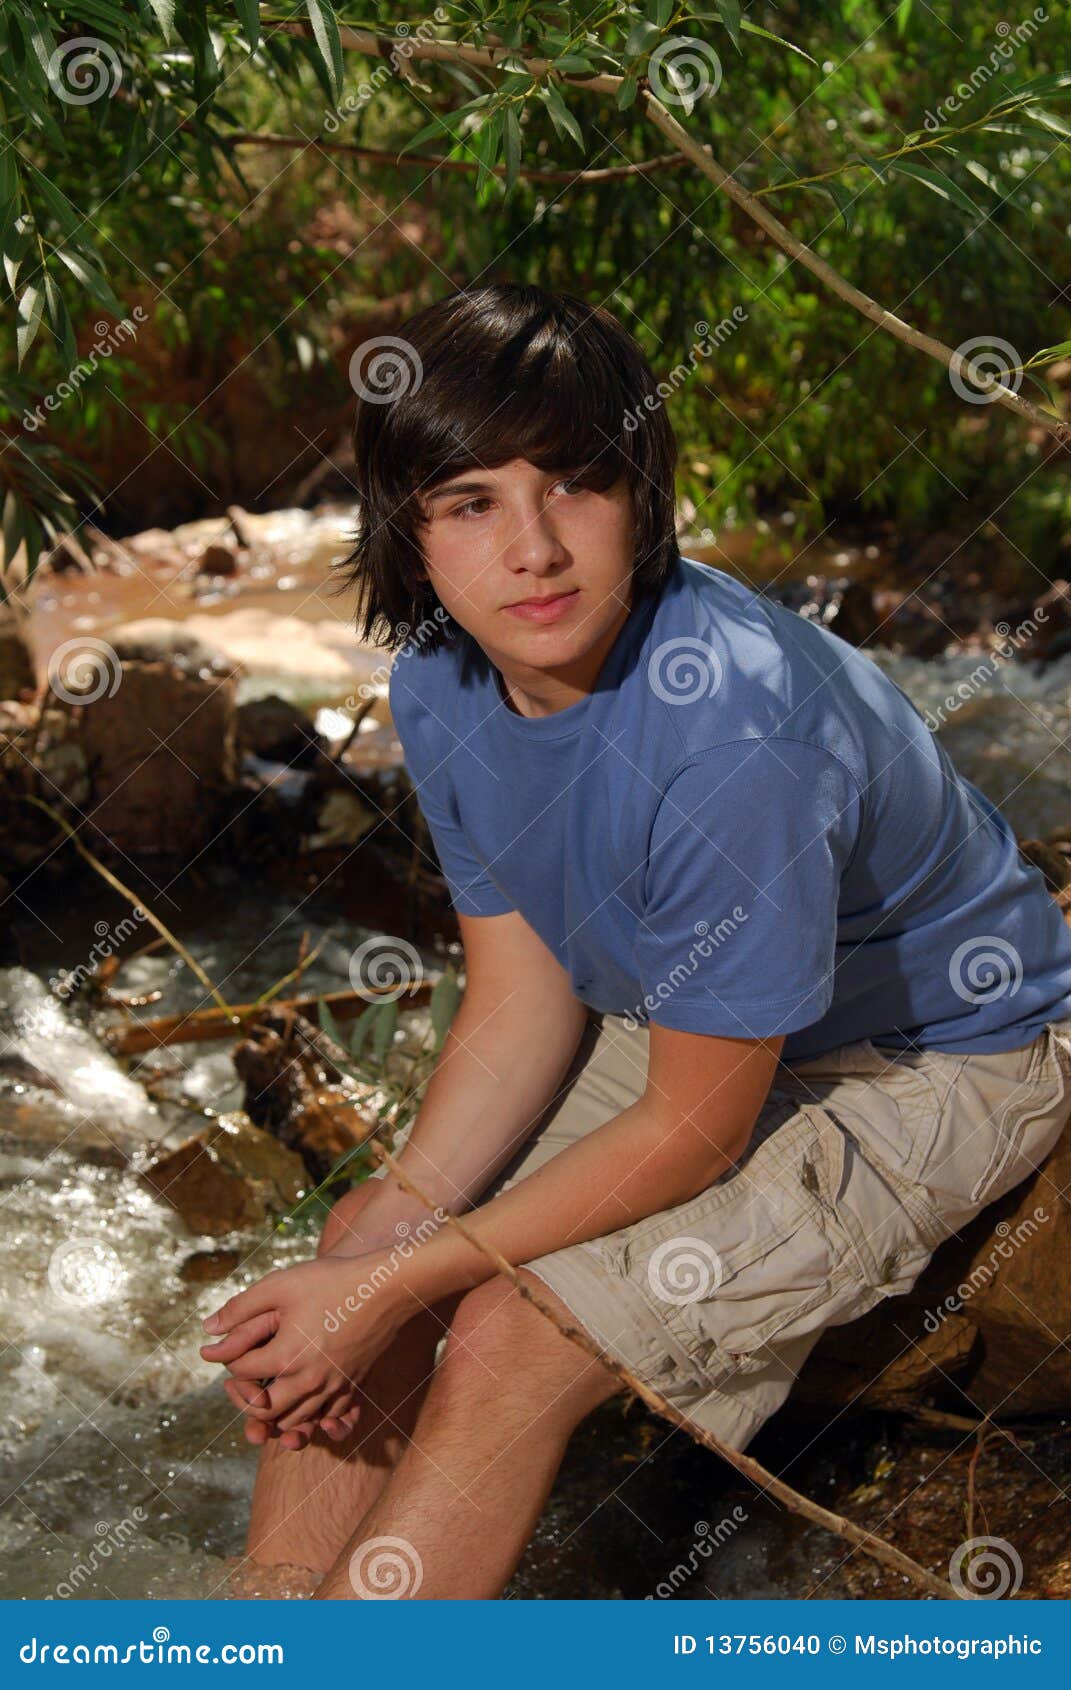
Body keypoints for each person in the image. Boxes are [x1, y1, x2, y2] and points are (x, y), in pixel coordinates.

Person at [200, 282, 1071, 1600]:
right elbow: (520, 993)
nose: (534, 548)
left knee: (502, 1331)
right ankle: (276, 1638)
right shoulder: (440, 680)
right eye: (472, 501)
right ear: (410, 528)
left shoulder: (733, 729)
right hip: (712, 1023)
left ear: (643, 493)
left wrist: (408, 1282)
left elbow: (696, 1129)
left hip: (930, 1052)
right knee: (365, 1239)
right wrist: (389, 1241)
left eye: (576, 484)